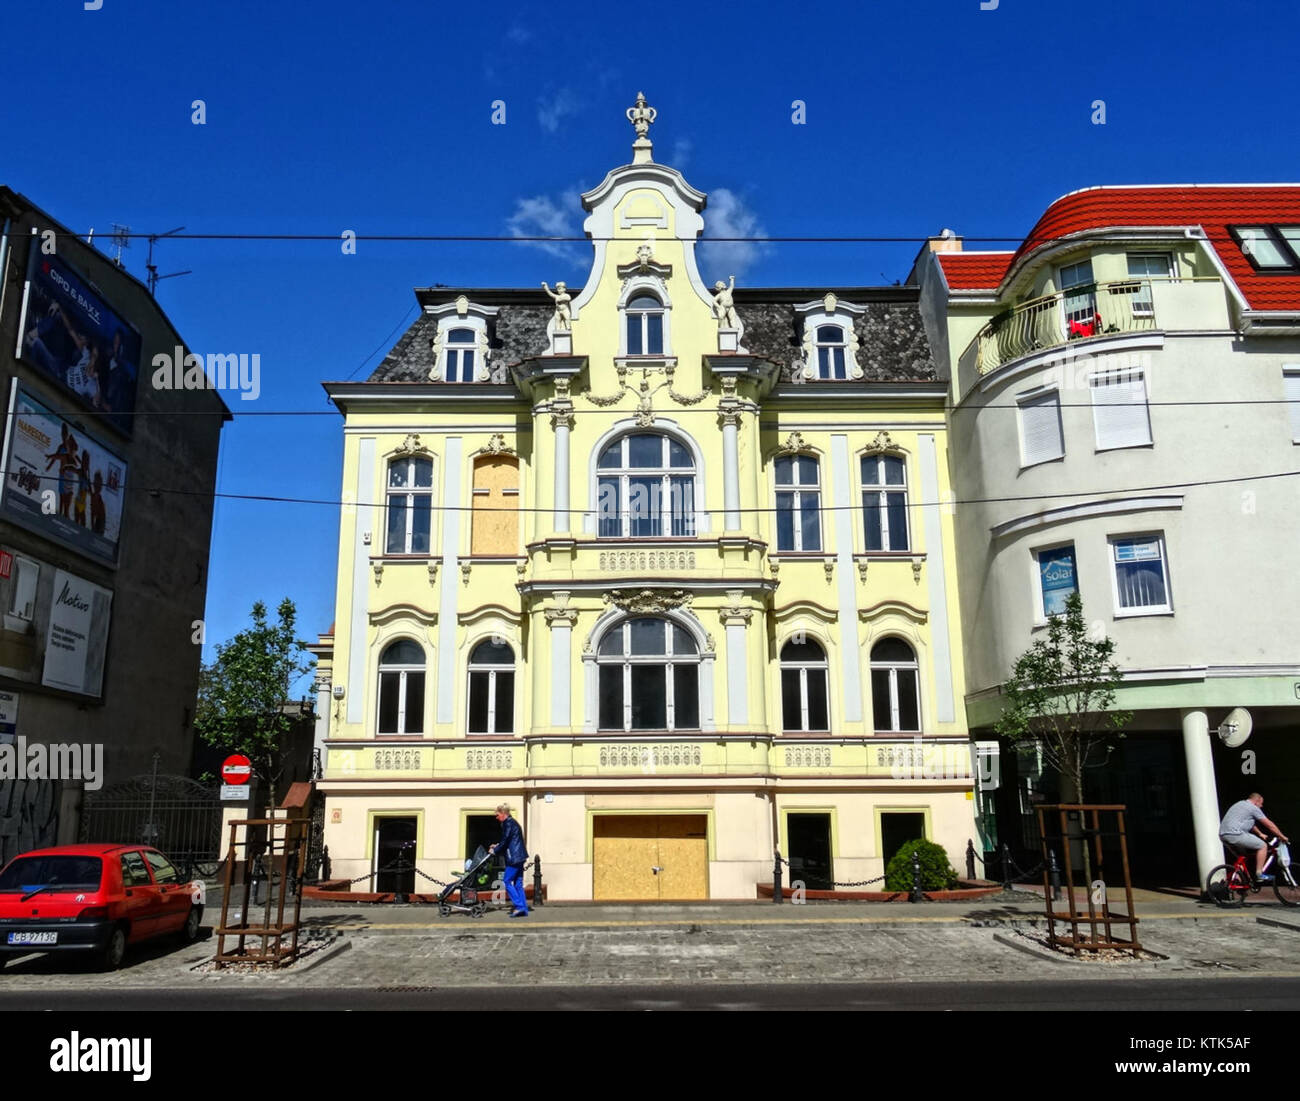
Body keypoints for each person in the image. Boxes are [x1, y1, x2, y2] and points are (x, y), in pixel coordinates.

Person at [1219, 793, 1289, 882]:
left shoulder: (1240, 804)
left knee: (1243, 857)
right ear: (1256, 802)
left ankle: (1237, 878)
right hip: (1236, 834)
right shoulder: (1253, 808)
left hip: (1224, 835)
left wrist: (1260, 833)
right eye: (1261, 804)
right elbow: (1269, 825)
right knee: (1262, 846)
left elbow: (1248, 822)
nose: (1262, 806)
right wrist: (1282, 836)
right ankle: (1259, 874)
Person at [488, 803, 529, 917]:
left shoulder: (508, 823)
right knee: (518, 884)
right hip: (520, 856)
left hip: (514, 858)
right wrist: (497, 845)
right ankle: (524, 908)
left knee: (506, 881)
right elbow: (509, 840)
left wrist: (495, 851)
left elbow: (506, 840)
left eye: (497, 815)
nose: (496, 817)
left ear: (503, 813)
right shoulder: (513, 823)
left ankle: (519, 906)